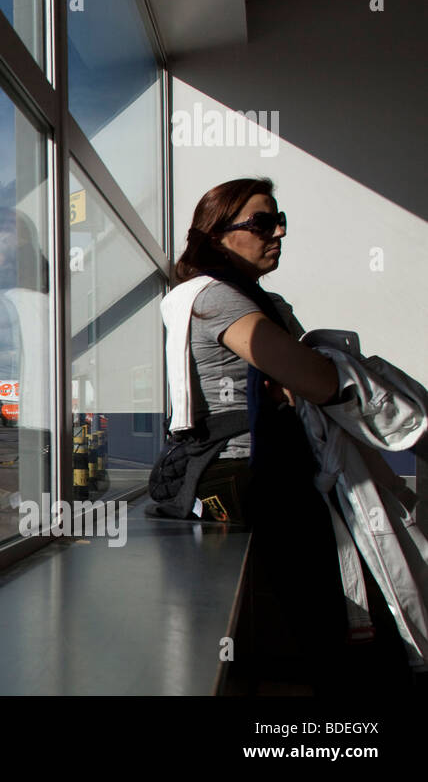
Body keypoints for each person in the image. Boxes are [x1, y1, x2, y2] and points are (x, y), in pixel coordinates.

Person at [158, 177, 410, 692]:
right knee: (295, 606)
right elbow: (317, 380)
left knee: (304, 602)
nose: (277, 233)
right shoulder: (216, 299)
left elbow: (301, 381)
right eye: (261, 223)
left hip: (274, 466)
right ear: (217, 235)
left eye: (279, 221)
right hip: (247, 472)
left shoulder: (260, 302)